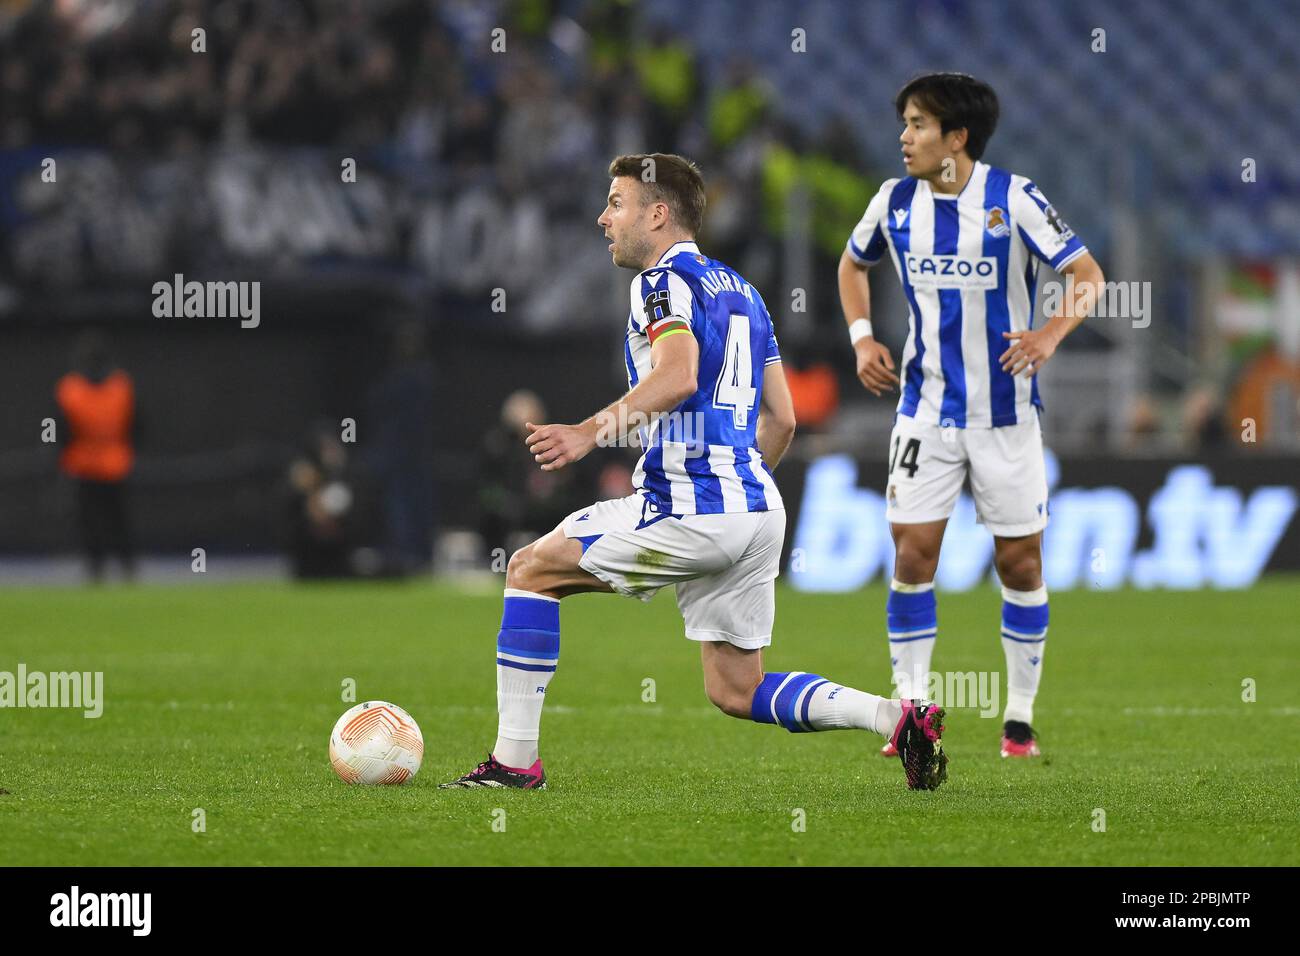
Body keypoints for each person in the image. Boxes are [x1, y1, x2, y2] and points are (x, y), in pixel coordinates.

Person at [442, 153, 947, 792]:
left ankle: (514, 764)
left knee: (529, 571)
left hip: (693, 505)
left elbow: (677, 376)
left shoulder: (658, 283)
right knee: (738, 688)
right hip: (758, 507)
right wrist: (733, 487)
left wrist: (586, 433)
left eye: (617, 204)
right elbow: (783, 421)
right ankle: (897, 718)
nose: (603, 219)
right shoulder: (745, 292)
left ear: (657, 215)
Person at [837, 73, 1106, 758]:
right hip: (925, 411)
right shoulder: (894, 201)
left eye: (919, 124)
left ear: (957, 137)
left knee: (1019, 564)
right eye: (904, 122)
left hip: (1006, 415)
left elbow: (1088, 275)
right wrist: (862, 336)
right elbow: (850, 264)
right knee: (911, 554)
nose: (904, 136)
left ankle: (1017, 717)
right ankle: (911, 711)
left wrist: (1047, 335)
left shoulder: (1014, 199)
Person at [55, 332, 136, 582]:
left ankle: (96, 568)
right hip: (115, 462)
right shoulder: (121, 387)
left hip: (84, 464)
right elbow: (137, 426)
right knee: (117, 519)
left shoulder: (70, 390)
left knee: (91, 521)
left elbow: (61, 431)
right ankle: (126, 566)